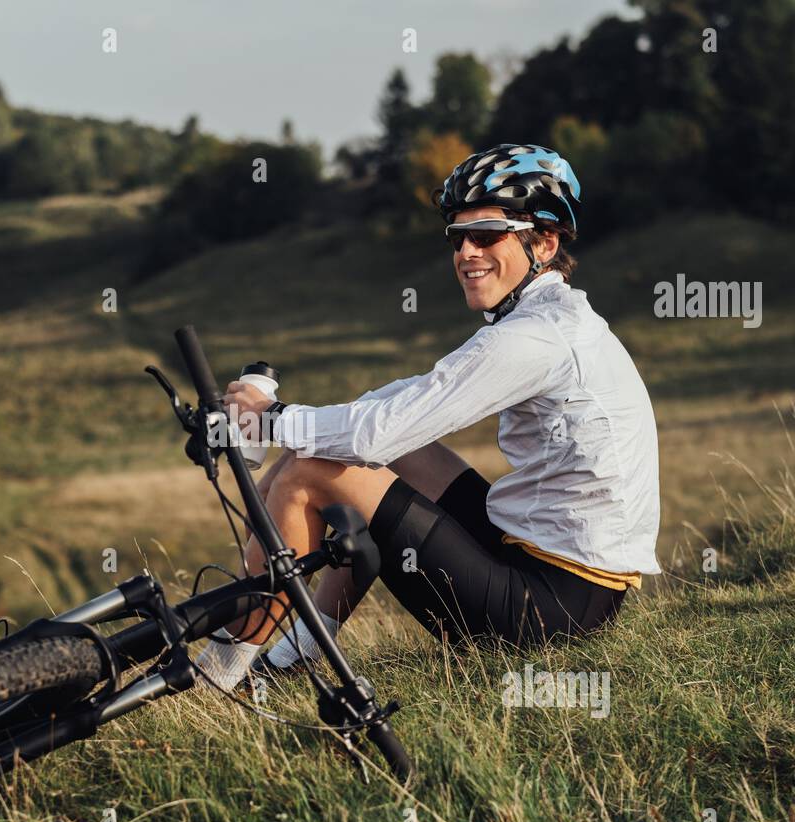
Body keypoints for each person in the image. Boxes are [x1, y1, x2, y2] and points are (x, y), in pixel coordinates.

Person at [195, 143, 661, 690]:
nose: (466, 252)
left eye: (487, 234)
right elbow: (402, 403)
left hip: (549, 611)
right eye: (457, 237)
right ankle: (295, 655)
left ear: (546, 241)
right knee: (337, 450)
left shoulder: (537, 338)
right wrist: (287, 423)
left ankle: (218, 675)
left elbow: (379, 431)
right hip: (546, 569)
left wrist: (271, 417)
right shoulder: (548, 318)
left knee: (308, 474)